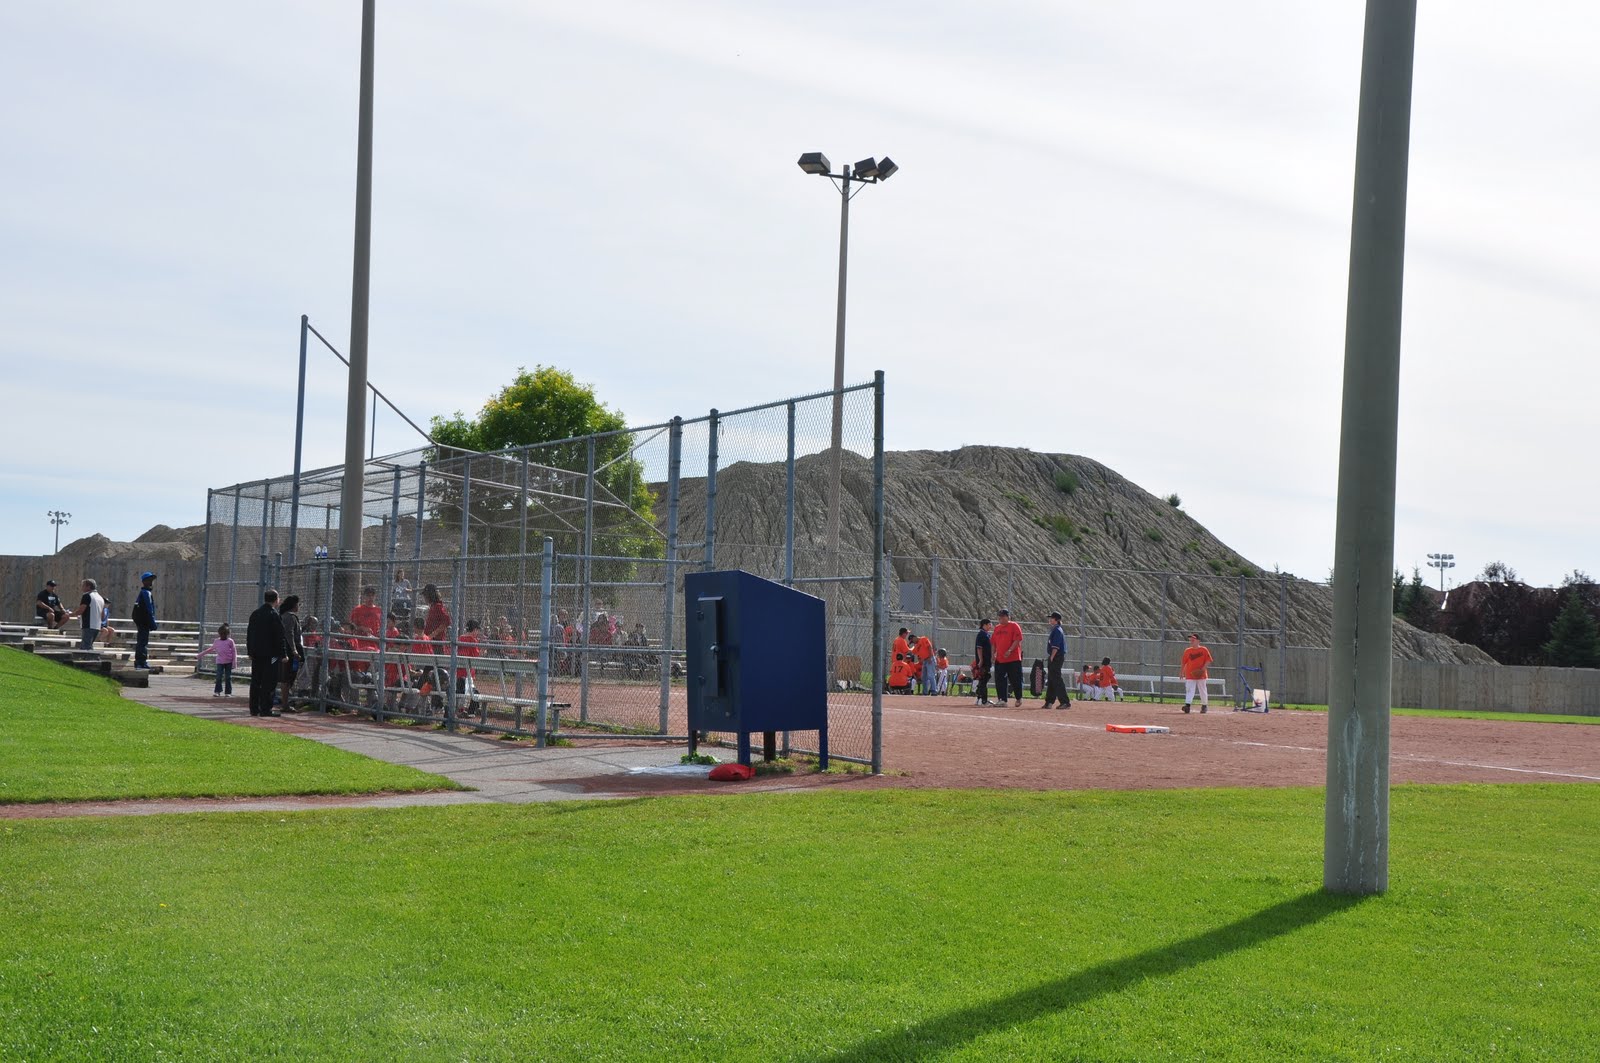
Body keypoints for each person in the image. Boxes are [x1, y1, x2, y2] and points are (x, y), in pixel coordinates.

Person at [246, 590, 286, 717]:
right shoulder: (273, 614)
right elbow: (280, 636)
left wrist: (250, 651)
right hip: (272, 655)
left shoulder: (256, 614)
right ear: (276, 599)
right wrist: (283, 654)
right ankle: (266, 708)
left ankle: (254, 708)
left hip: (257, 653)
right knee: (269, 680)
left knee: (256, 680)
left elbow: (249, 634)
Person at [991, 608, 1024, 707]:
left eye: (1003, 616)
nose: (1000, 619)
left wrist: (1009, 650)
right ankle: (1002, 700)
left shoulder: (1014, 626)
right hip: (1000, 659)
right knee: (999, 679)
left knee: (1015, 679)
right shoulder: (997, 628)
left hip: (1013, 659)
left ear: (1008, 617)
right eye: (999, 617)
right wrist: (993, 654)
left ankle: (1018, 698)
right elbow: (993, 643)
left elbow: (1017, 639)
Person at [279, 595, 305, 710]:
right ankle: (285, 704)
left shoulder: (285, 616)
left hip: (288, 650)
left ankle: (286, 702)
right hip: (290, 651)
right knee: (288, 676)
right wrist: (294, 650)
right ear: (294, 605)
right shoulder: (290, 617)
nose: (299, 607)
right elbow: (289, 634)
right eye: (298, 604)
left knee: (290, 675)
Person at [1042, 611, 1071, 709]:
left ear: (1057, 620)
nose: (1050, 619)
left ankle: (1065, 702)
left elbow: (1056, 646)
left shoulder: (1057, 630)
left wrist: (1052, 657)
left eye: (1052, 618)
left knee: (1056, 678)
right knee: (1051, 678)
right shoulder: (1055, 629)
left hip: (1056, 656)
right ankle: (1049, 701)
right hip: (1055, 656)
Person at [198, 624, 238, 696]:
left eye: (224, 634)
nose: (223, 636)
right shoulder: (216, 641)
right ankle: (217, 691)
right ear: (219, 634)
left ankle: (228, 692)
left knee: (228, 677)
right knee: (219, 676)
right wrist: (199, 655)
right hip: (220, 662)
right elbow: (210, 649)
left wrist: (234, 662)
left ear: (227, 634)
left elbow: (234, 652)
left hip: (229, 662)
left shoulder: (230, 641)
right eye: (221, 634)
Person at [66, 579, 106, 650]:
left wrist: (70, 614)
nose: (81, 587)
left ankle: (90, 660)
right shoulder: (100, 598)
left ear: (88, 587)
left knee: (86, 648)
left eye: (83, 586)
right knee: (89, 646)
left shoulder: (87, 596)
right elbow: (103, 616)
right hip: (97, 626)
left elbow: (80, 610)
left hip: (88, 625)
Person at [1180, 633, 1214, 714]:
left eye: (1193, 639)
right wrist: (1181, 672)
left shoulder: (1204, 649)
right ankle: (1187, 706)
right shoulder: (1187, 651)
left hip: (1201, 674)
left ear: (1198, 641)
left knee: (1202, 690)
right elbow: (1183, 663)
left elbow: (1208, 660)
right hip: (1190, 674)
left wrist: (1202, 669)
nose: (1191, 640)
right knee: (1189, 690)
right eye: (1190, 639)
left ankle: (1204, 706)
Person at [131, 571, 158, 669]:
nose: (151, 582)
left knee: (142, 642)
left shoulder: (144, 592)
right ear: (144, 581)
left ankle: (141, 662)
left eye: (152, 580)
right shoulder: (146, 593)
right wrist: (152, 623)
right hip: (144, 622)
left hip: (142, 621)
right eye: (149, 580)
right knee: (142, 642)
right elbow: (149, 609)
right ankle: (140, 662)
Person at [421, 583, 451, 649]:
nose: (425, 598)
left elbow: (447, 622)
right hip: (430, 642)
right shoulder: (433, 606)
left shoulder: (438, 606)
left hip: (437, 643)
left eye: (426, 595)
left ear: (430, 595)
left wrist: (432, 635)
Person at [972, 619, 994, 707]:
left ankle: (979, 699)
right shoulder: (981, 634)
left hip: (987, 660)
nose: (991, 626)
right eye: (989, 624)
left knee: (983, 679)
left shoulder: (986, 634)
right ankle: (983, 700)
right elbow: (979, 648)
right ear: (984, 625)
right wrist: (980, 660)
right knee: (984, 678)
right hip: (983, 661)